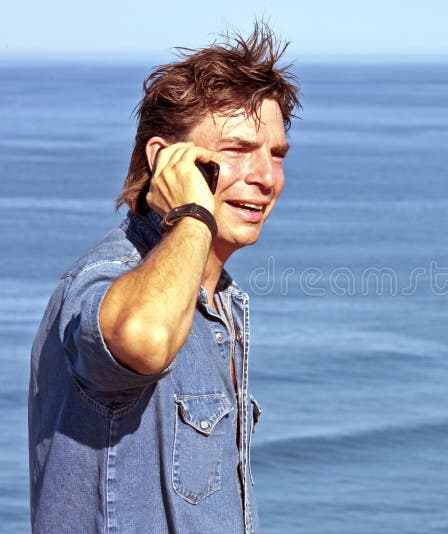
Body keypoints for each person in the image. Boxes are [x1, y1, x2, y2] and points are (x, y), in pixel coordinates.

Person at [28, 23, 300, 533]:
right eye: (238, 150)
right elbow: (145, 339)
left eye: (277, 154)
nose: (267, 177)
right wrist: (193, 212)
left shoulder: (221, 303)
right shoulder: (106, 278)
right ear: (164, 160)